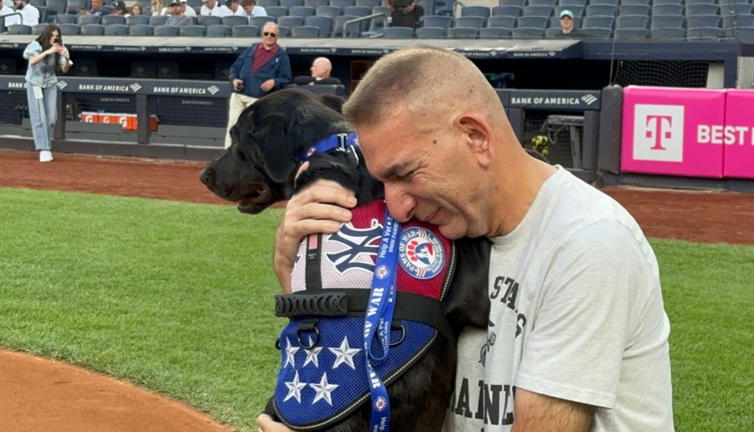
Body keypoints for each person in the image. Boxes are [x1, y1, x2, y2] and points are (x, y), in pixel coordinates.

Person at [258, 46, 674, 431]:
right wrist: (293, 270)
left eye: (405, 174)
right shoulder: (437, 231)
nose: (397, 207)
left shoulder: (587, 242)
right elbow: (353, 377)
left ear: (476, 137)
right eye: (382, 182)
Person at [224, 22, 291, 148]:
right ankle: (227, 155)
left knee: (249, 130)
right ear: (262, 35)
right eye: (266, 33)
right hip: (239, 95)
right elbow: (234, 68)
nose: (269, 36)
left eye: (272, 34)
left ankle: (245, 159)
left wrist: (274, 82)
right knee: (233, 126)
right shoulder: (251, 49)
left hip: (258, 99)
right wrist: (234, 79)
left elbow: (286, 78)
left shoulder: (282, 56)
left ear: (277, 36)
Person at [23, 24, 72, 163]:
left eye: (57, 36)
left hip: (50, 83)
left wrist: (66, 57)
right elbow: (32, 61)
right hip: (35, 83)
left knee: (51, 118)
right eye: (52, 36)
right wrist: (48, 52)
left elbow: (64, 69)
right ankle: (43, 148)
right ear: (46, 35)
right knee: (39, 117)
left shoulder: (60, 48)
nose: (54, 38)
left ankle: (47, 146)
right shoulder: (35, 45)